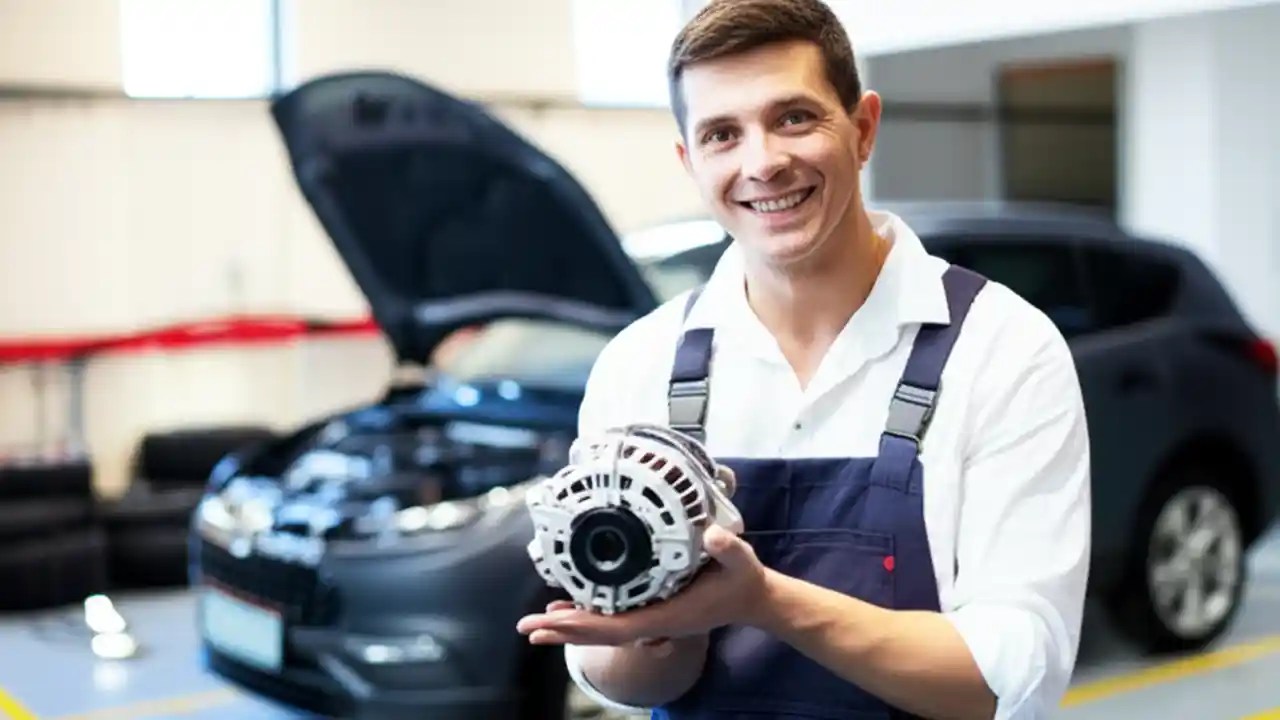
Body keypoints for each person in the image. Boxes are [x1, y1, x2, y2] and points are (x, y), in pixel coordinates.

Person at [516, 0, 1092, 717]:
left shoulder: (1003, 349)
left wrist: (767, 602)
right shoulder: (642, 364)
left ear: (863, 128)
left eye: (793, 117)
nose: (763, 162)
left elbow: (1013, 673)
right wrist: (653, 632)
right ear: (689, 162)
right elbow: (622, 683)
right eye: (723, 134)